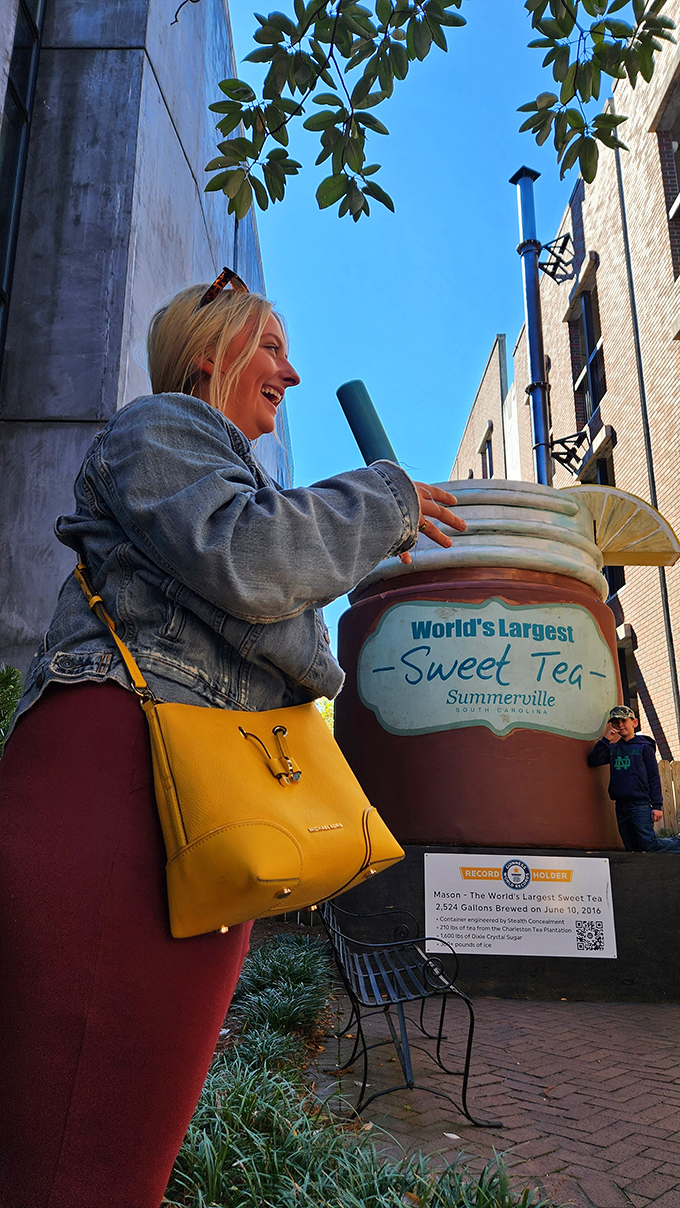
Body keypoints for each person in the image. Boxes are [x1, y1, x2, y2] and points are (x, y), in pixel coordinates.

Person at [0, 269, 465, 1208]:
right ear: (209, 353)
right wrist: (381, 500)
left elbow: (285, 617)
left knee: (122, 1142)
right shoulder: (160, 427)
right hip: (121, 787)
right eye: (272, 347)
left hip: (194, 804)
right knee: (78, 1150)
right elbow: (256, 566)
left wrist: (338, 541)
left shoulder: (230, 476)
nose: (292, 375)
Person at [587, 704, 680, 852]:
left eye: (624, 721)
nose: (620, 725)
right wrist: (606, 740)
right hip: (621, 804)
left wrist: (657, 806)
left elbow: (654, 777)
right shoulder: (614, 748)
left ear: (634, 723)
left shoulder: (644, 747)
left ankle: (677, 843)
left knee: (649, 845)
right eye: (616, 722)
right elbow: (593, 760)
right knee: (631, 846)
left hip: (640, 804)